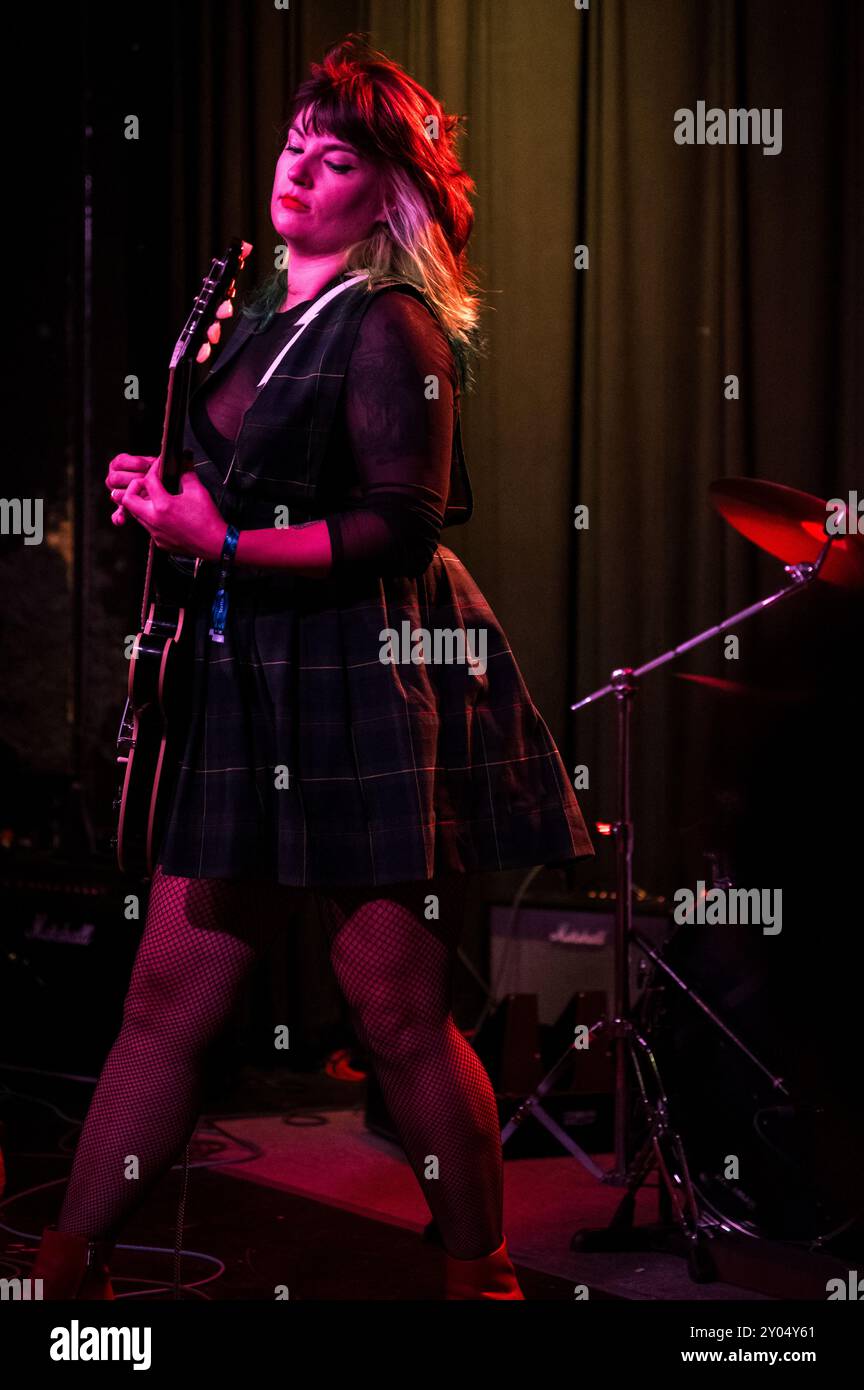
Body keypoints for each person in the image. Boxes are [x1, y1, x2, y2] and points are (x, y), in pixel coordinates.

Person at [32, 34, 593, 1301]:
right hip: (245, 682)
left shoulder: (390, 324)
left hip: (354, 687)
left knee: (393, 1013)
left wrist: (219, 534)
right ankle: (66, 1277)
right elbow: (250, 484)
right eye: (297, 142)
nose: (299, 168)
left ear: (381, 194)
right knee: (167, 999)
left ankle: (481, 1279)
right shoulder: (264, 308)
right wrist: (171, 496)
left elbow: (401, 523)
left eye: (335, 158)